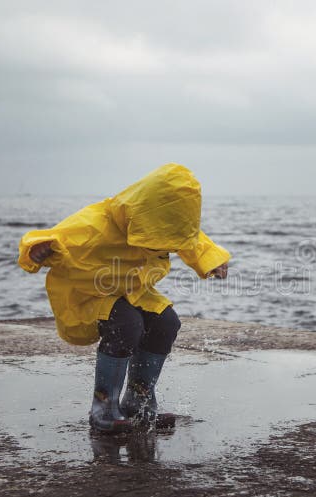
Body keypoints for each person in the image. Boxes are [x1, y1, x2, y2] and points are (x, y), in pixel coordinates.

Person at [17, 163, 230, 433]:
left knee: (166, 323)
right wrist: (37, 250)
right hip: (86, 292)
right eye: (157, 244)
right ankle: (103, 408)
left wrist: (211, 261)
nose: (163, 250)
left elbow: (192, 240)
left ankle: (137, 403)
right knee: (127, 324)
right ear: (139, 221)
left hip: (132, 289)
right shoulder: (95, 224)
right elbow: (54, 238)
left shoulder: (169, 225)